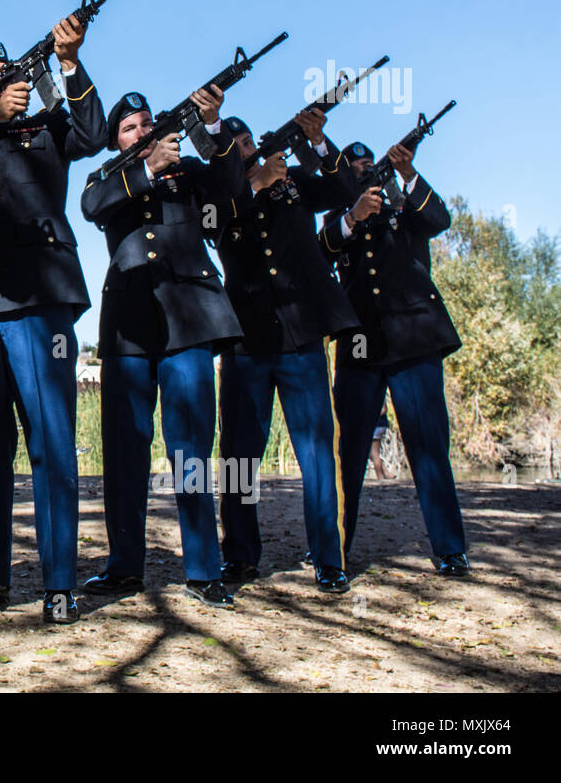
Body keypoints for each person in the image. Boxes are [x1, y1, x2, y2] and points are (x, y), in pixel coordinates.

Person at [0, 23, 106, 625]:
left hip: (40, 296)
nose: (4, 81)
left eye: (9, 74)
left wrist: (68, 62)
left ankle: (59, 582)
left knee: (50, 439)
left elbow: (93, 133)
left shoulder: (48, 125)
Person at [81, 87, 244, 608]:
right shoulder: (107, 177)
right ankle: (124, 566)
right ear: (115, 142)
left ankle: (203, 568)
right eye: (129, 128)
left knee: (191, 447)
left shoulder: (190, 172)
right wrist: (146, 169)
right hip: (128, 325)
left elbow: (229, 193)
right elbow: (92, 206)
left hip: (189, 324)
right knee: (125, 451)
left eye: (146, 124)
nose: (142, 131)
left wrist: (213, 128)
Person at [212, 111, 359, 594]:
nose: (248, 148)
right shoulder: (219, 194)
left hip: (301, 335)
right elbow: (213, 227)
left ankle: (328, 557)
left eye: (250, 140)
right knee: (239, 457)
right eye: (237, 146)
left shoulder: (294, 180)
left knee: (317, 451)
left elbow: (342, 193)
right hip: (246, 340)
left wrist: (315, 141)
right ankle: (239, 556)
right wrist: (252, 186)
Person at [320, 140, 469, 576]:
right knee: (347, 452)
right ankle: (336, 550)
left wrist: (408, 174)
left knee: (429, 447)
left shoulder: (405, 209)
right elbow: (317, 254)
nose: (369, 174)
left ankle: (449, 548)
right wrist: (352, 218)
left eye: (373, 167)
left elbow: (440, 220)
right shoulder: (338, 220)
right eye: (359, 169)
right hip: (360, 346)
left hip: (414, 343)